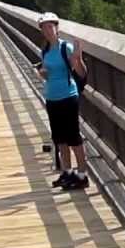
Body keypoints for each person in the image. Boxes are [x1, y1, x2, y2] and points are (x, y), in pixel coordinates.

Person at [35, 12, 89, 191]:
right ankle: (67, 173)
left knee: (73, 137)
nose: (48, 30)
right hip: (52, 97)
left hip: (68, 96)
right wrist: (42, 73)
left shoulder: (66, 47)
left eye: (50, 26)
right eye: (44, 27)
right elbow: (47, 73)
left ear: (57, 28)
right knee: (59, 138)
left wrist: (78, 60)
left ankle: (82, 176)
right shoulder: (45, 51)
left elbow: (82, 73)